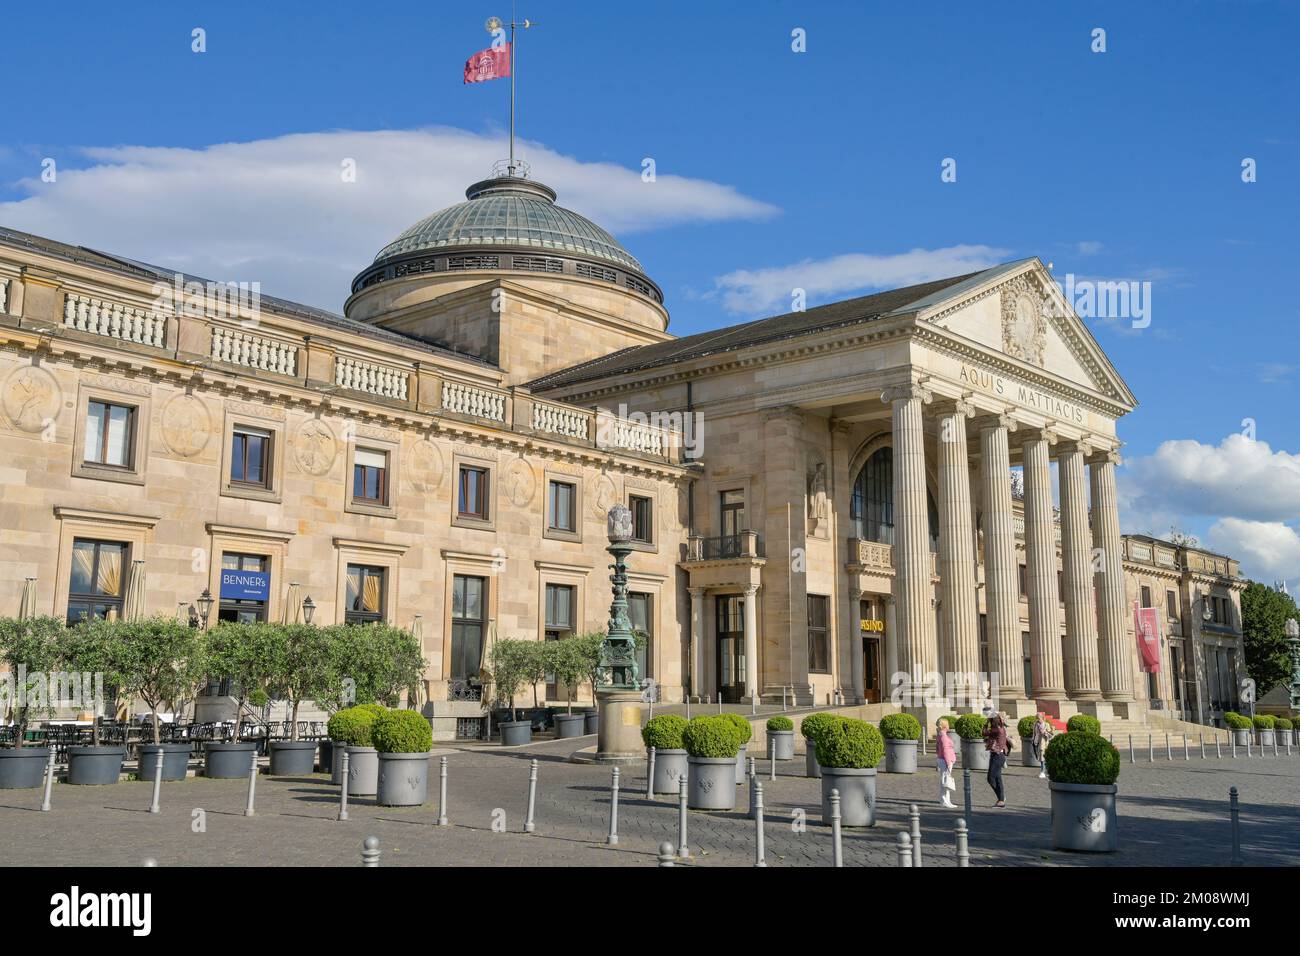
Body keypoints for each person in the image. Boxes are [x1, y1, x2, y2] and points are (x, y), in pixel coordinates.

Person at [983, 713, 1012, 807]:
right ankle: (1001, 799)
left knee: (990, 778)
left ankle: (1001, 798)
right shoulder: (1001, 728)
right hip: (1000, 755)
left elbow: (984, 732)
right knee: (998, 778)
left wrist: (986, 723)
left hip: (997, 756)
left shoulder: (996, 730)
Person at [935, 718, 957, 809]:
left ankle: (946, 800)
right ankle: (945, 801)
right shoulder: (943, 736)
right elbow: (945, 750)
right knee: (945, 781)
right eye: (947, 724)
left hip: (942, 759)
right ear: (944, 726)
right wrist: (948, 762)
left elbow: (937, 748)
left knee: (945, 780)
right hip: (945, 760)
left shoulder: (940, 735)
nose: (949, 726)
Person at [1032, 712, 1054, 779]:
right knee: (1041, 757)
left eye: (1039, 718)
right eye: (1037, 718)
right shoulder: (1036, 724)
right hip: (1037, 742)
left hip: (1044, 743)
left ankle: (1042, 772)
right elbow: (1034, 733)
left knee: (1042, 757)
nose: (1038, 719)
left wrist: (1045, 733)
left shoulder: (1046, 724)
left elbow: (1051, 734)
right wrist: (1033, 740)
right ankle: (1046, 771)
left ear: (1042, 718)